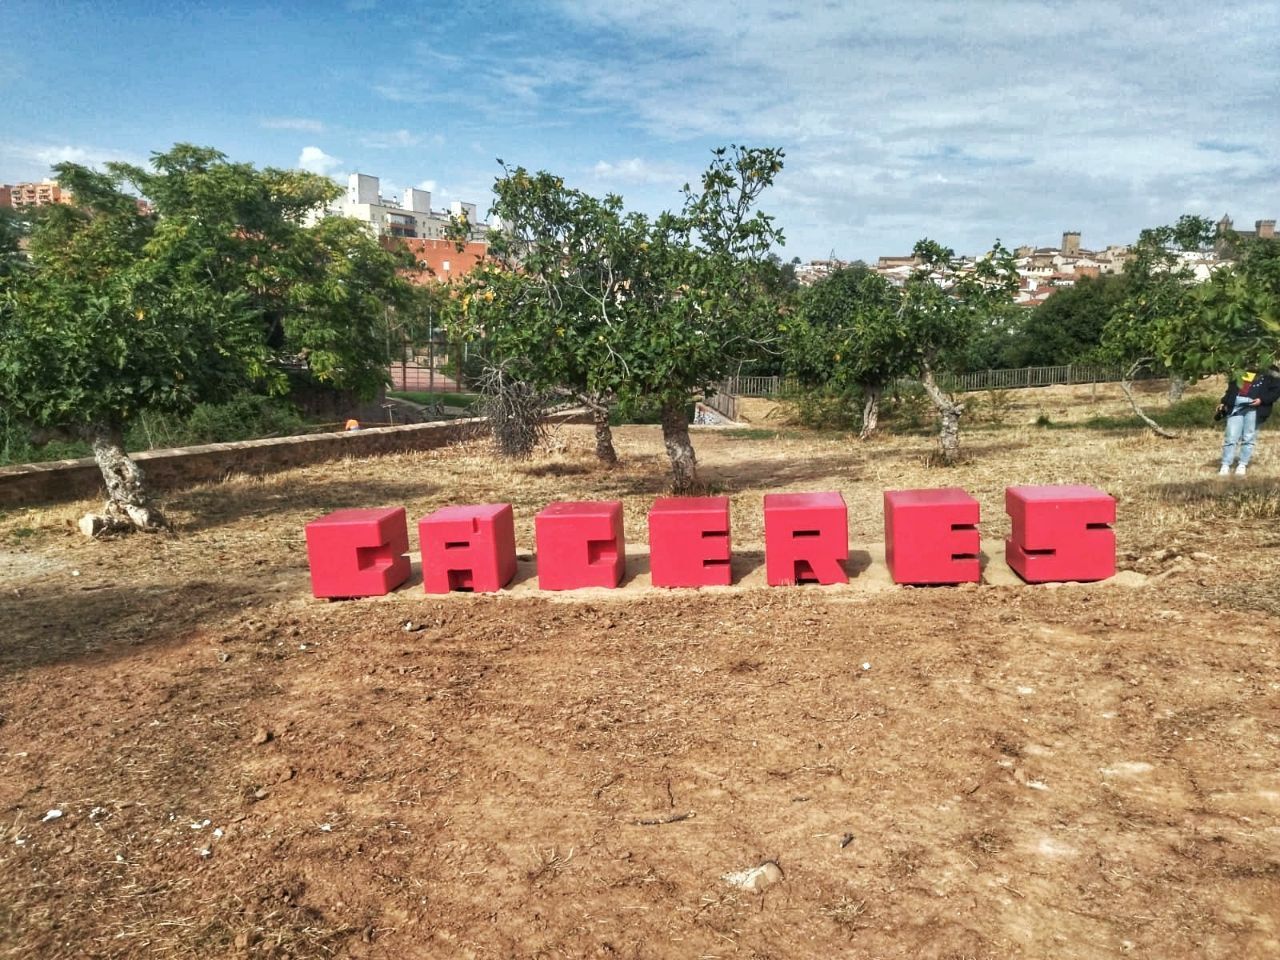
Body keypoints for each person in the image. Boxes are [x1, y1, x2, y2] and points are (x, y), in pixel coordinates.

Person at [1217, 367, 1280, 476]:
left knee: (1249, 437)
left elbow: (1275, 392)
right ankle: (1225, 465)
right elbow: (1231, 390)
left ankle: (1242, 465)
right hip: (1236, 406)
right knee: (1231, 437)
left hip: (1255, 408)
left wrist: (1262, 400)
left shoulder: (1270, 374)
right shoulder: (1241, 371)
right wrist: (1224, 402)